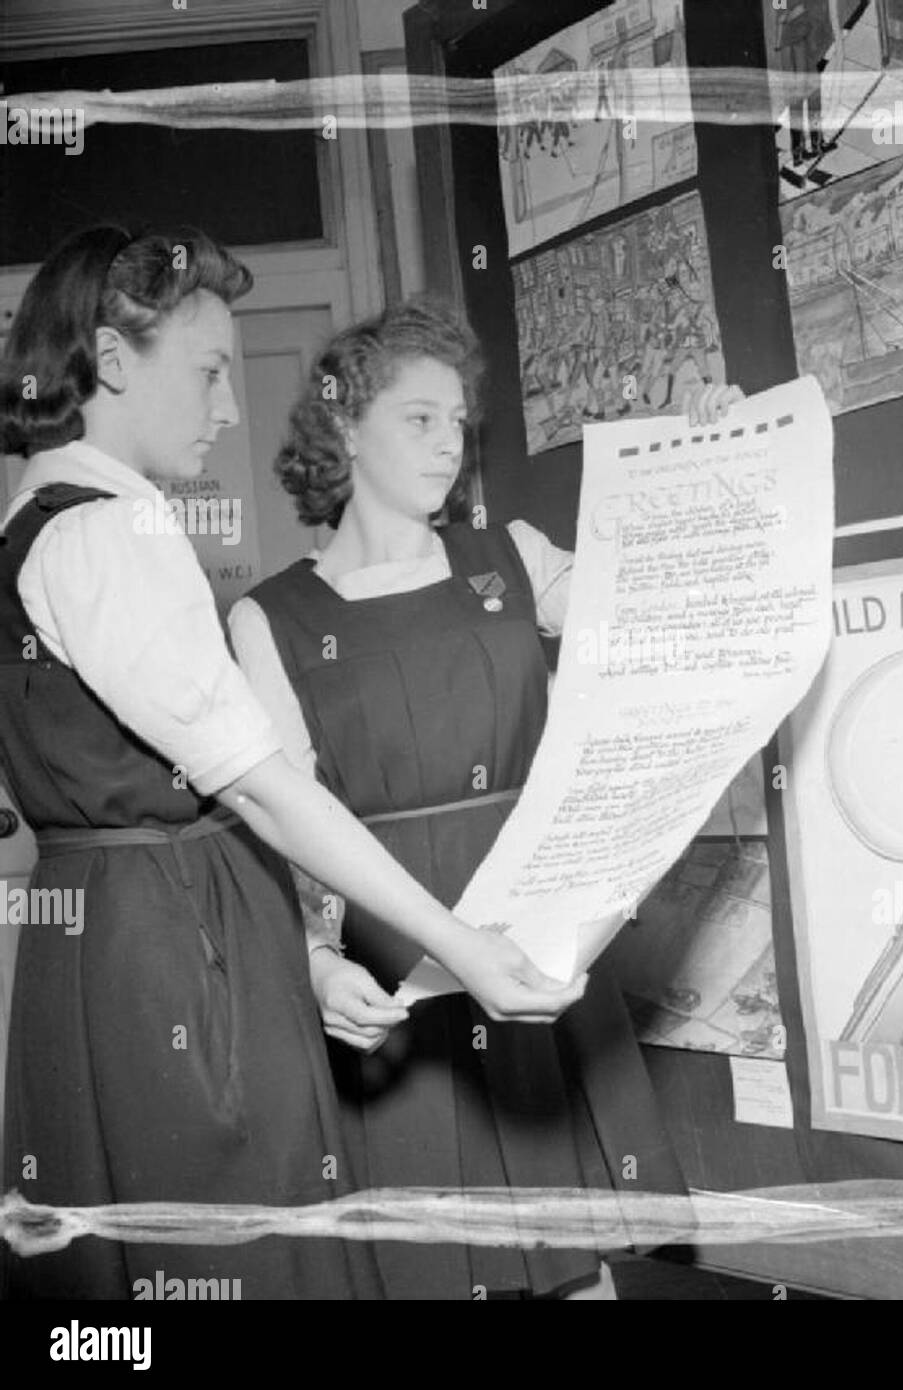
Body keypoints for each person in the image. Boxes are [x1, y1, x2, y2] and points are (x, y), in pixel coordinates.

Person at [0, 227, 584, 1301]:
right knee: (244, 1250)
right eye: (210, 370)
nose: (228, 407)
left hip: (120, 942)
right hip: (182, 950)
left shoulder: (32, 523)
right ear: (114, 361)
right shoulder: (112, 531)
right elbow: (263, 781)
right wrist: (455, 939)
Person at [228, 298, 743, 1299]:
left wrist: (706, 457)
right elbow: (283, 829)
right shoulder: (270, 620)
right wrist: (318, 964)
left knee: (576, 1266)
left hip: (535, 935)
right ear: (342, 425)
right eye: (417, 418)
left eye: (456, 420)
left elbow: (666, 596)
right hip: (398, 970)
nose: (446, 442)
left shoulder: (508, 556)